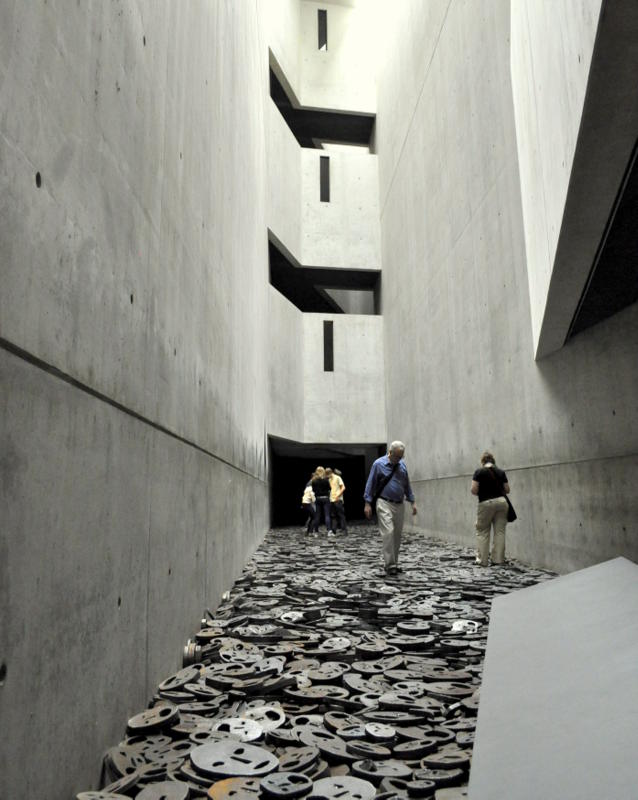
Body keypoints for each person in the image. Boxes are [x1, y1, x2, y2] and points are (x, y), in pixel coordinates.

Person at [364, 441, 417, 574]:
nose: (399, 459)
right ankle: (390, 564)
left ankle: (395, 562)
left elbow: (407, 484)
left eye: (401, 457)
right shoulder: (378, 464)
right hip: (384, 502)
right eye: (397, 457)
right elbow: (371, 483)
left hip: (399, 504)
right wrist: (367, 503)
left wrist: (412, 502)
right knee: (388, 532)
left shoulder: (402, 465)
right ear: (390, 453)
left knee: (397, 535)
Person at [471, 451, 510, 566]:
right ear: (493, 461)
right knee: (500, 532)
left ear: (482, 461)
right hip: (502, 503)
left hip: (485, 503)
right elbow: (507, 489)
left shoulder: (479, 472)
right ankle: (498, 560)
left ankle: (482, 560)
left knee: (482, 531)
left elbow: (473, 490)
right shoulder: (501, 472)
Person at [311, 466, 333, 535]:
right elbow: (330, 488)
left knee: (317, 515)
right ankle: (329, 531)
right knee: (327, 515)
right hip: (325, 498)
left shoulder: (314, 480)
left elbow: (313, 490)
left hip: (318, 498)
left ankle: (316, 532)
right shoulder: (326, 480)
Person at [326, 468, 347, 534]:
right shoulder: (329, 479)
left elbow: (343, 487)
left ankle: (344, 530)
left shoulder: (338, 478)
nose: (327, 476)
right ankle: (334, 529)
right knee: (333, 515)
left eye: (328, 475)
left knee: (340, 515)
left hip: (338, 499)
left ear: (331, 473)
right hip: (331, 499)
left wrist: (338, 495)